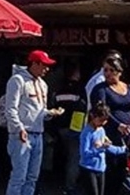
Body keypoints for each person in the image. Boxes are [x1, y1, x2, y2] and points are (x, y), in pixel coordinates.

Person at [4, 50, 64, 195]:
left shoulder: (43, 84)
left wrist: (50, 113)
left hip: (38, 134)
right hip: (21, 135)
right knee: (19, 177)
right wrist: (19, 128)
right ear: (34, 64)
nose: (47, 69)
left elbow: (40, 110)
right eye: (44, 65)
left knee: (32, 177)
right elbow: (10, 109)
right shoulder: (17, 80)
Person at [90, 56, 130, 191]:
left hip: (127, 135)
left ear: (119, 72)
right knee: (110, 170)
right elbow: (102, 110)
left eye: (111, 70)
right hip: (108, 134)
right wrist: (117, 124)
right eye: (105, 70)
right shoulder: (100, 89)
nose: (107, 73)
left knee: (127, 167)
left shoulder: (129, 88)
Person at [53, 64, 87, 195]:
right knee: (74, 158)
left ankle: (61, 180)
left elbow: (54, 107)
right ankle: (70, 186)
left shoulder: (59, 90)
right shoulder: (79, 90)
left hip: (61, 128)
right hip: (74, 128)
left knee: (65, 155)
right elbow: (82, 108)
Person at [78, 103, 127, 195]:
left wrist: (123, 150)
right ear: (93, 116)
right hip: (88, 168)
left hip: (100, 168)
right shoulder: (86, 133)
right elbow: (84, 153)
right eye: (101, 120)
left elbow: (108, 147)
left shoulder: (101, 130)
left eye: (105, 121)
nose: (103, 123)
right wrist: (99, 149)